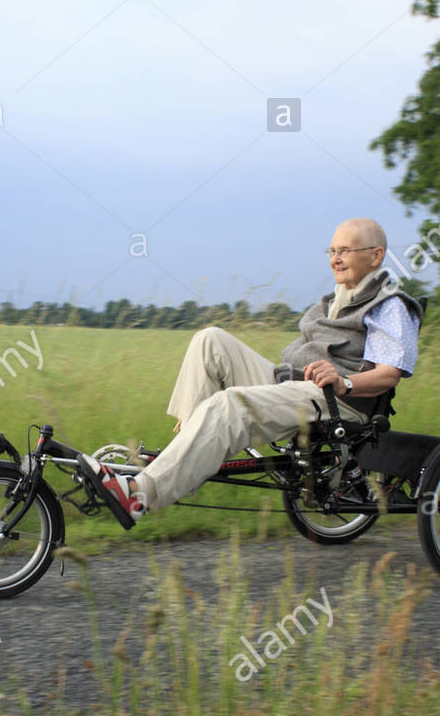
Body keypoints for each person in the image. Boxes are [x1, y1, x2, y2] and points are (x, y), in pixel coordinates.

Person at [78, 217, 422, 528]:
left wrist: (344, 382)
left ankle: (141, 494)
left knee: (229, 405)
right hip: (293, 383)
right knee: (209, 339)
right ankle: (183, 456)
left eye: (345, 250)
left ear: (376, 256)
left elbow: (389, 374)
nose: (335, 258)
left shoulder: (389, 306)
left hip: (338, 401)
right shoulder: (334, 299)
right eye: (332, 251)